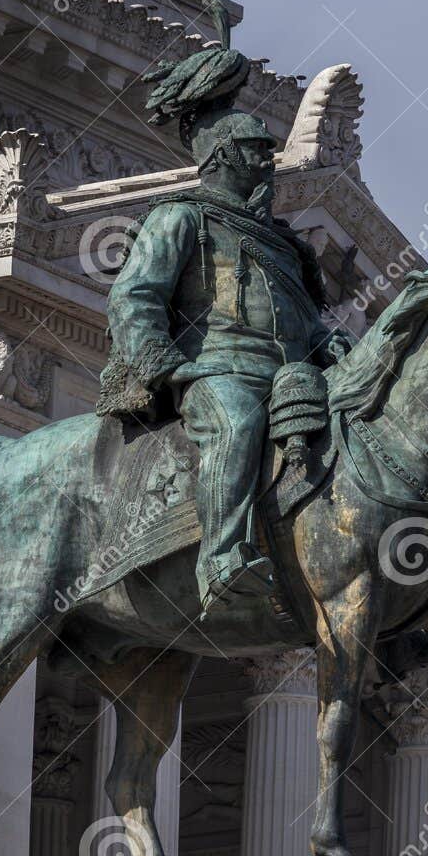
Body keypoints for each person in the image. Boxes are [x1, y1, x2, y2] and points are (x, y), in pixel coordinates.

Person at [98, 105, 349, 620]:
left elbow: (305, 319)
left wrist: (328, 344)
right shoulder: (181, 216)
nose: (267, 159)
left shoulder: (283, 244)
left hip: (293, 376)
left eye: (268, 150)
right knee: (238, 424)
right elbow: (135, 295)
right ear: (223, 155)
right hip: (219, 370)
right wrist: (164, 365)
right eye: (256, 148)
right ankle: (222, 560)